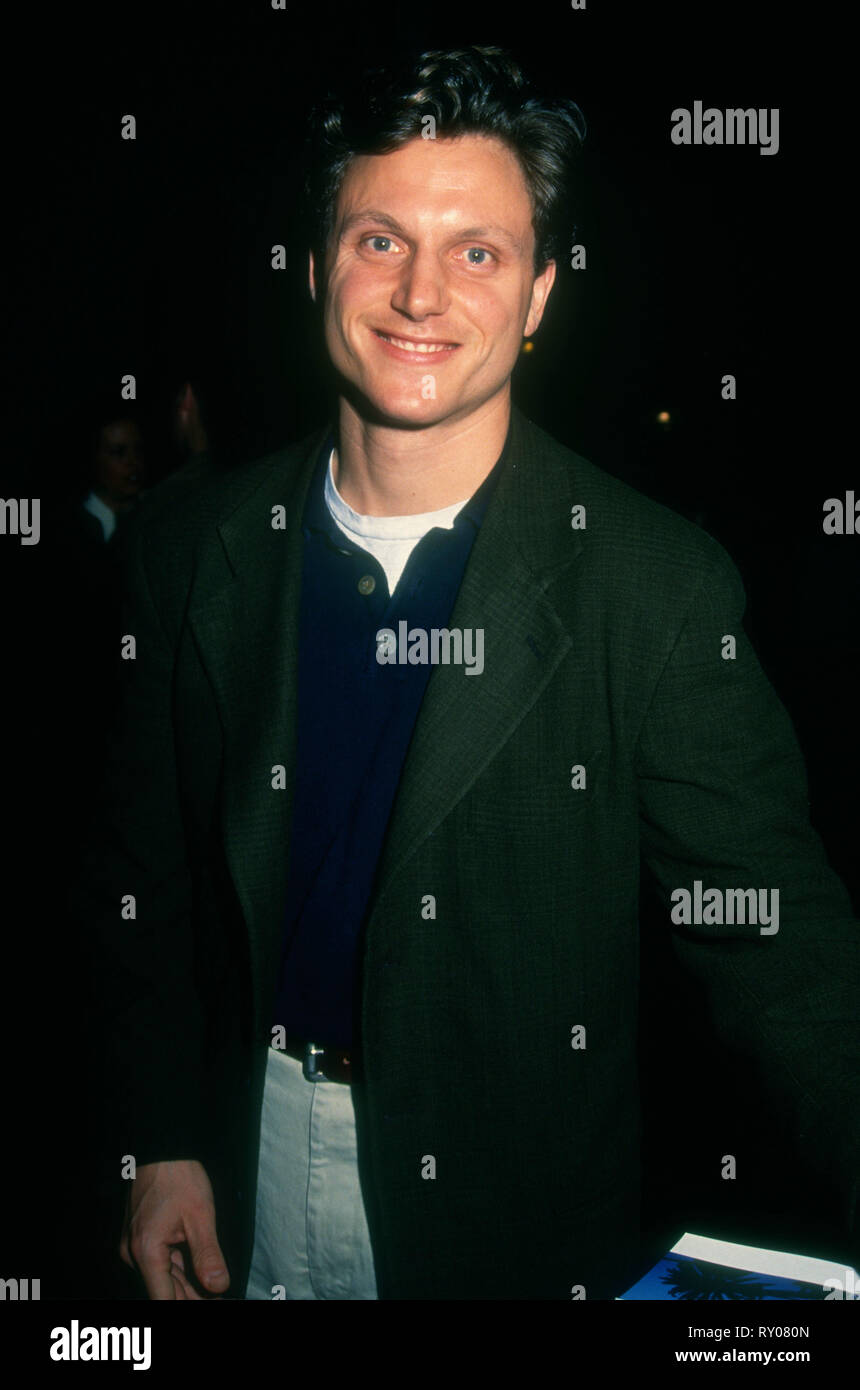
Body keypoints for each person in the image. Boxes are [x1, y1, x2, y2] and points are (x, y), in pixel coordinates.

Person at [82, 45, 859, 1301]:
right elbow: (144, 889)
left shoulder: (652, 588)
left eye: (478, 252)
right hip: (243, 1170)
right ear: (319, 264)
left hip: (509, 1218)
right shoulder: (190, 553)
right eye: (380, 239)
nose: (420, 294)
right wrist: (160, 1134)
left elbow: (782, 954)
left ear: (541, 292)